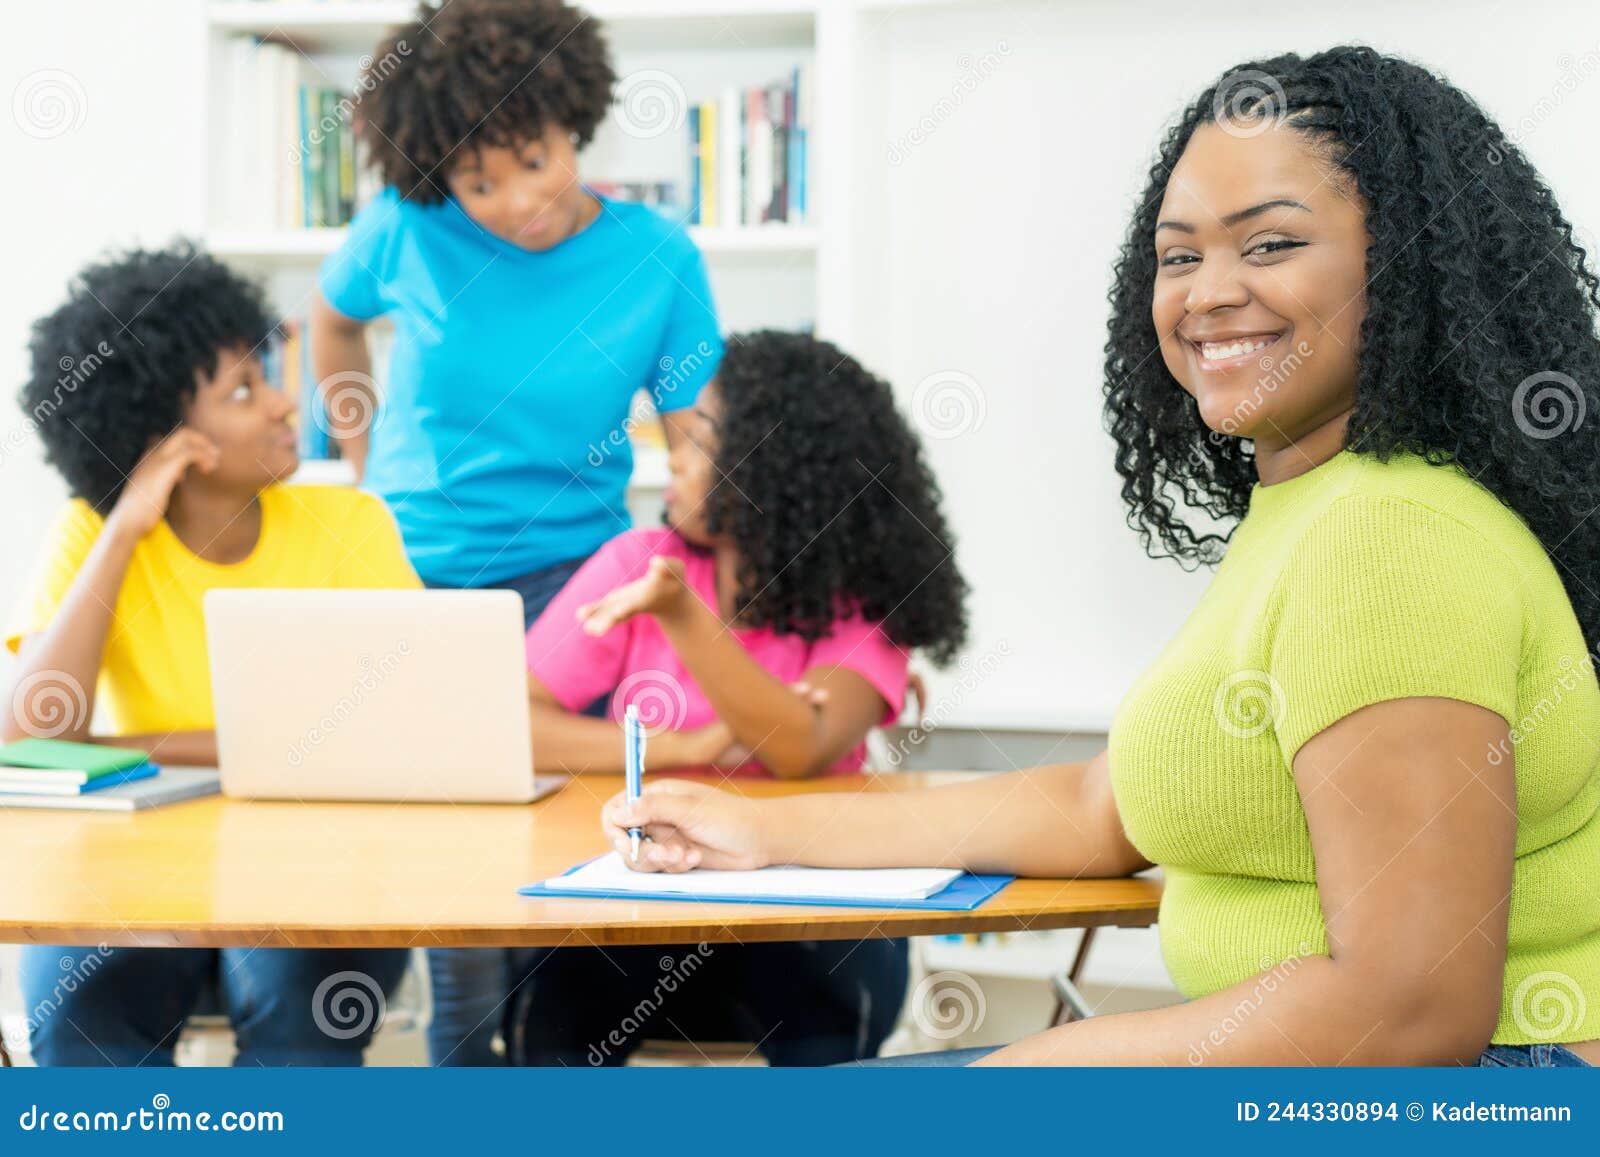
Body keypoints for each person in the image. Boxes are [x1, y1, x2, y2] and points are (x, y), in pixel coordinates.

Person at [602, 47, 1600, 1067]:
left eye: (1269, 244)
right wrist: (763, 832)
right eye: (1178, 256)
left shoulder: (1393, 540)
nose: (1208, 293)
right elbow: (1098, 807)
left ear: (1409, 261)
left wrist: (1014, 1073)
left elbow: (1407, 1013)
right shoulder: (1312, 511)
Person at [309, 0, 725, 1063]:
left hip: (571, 581)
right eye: (476, 182)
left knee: (549, 852)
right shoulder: (403, 228)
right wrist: (359, 460)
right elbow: (332, 317)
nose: (514, 202)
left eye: (531, 162)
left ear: (571, 123)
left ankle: (544, 1074)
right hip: (411, 579)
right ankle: (464, 1077)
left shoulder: (656, 256)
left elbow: (697, 439)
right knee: (449, 874)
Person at [503, 330, 970, 1064]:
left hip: (805, 909)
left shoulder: (862, 600)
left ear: (776, 466)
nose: (676, 457)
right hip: (648, 904)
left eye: (704, 437)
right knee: (551, 1007)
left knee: (830, 1018)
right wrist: (688, 747)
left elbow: (798, 748)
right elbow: (514, 723)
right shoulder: (635, 562)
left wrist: (680, 613)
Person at [5, 245, 418, 1066]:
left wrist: (122, 750)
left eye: (265, 376)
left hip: (314, 857)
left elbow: (387, 740)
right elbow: (26, 735)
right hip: (129, 864)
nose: (281, 404)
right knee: (80, 1019)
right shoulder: (91, 540)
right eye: (243, 391)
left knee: (301, 1022)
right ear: (166, 440)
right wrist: (125, 527)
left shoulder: (352, 529)